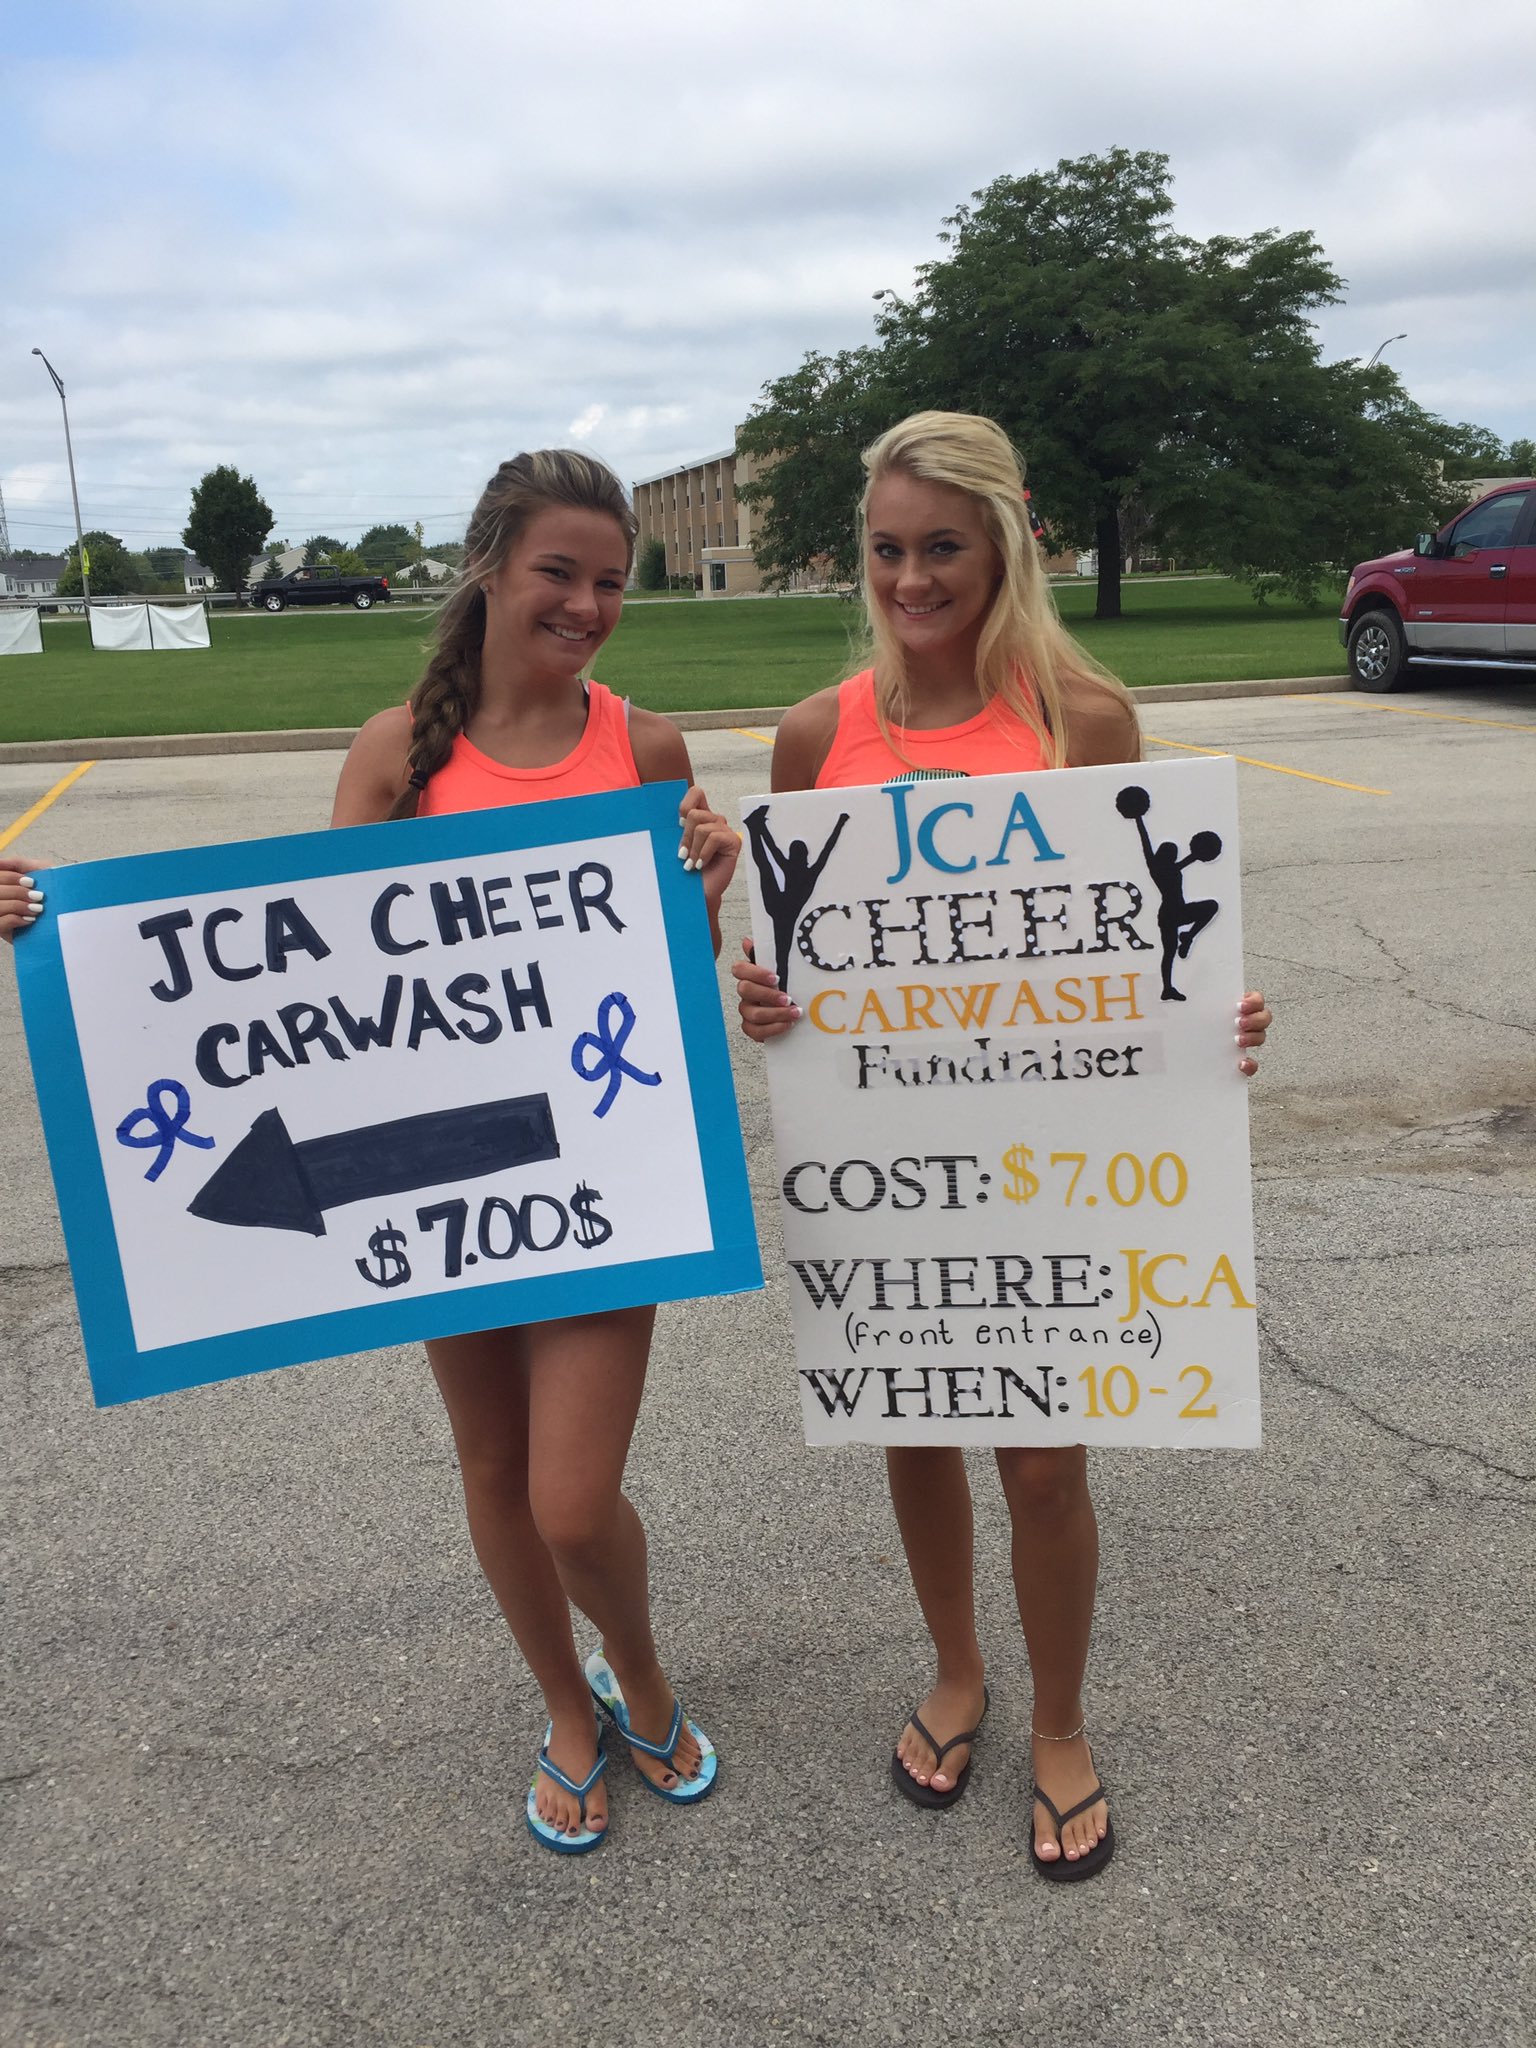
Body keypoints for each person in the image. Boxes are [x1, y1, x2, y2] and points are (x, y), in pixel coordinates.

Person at [732, 411, 1271, 1882]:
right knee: (911, 1427)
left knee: (1041, 1460)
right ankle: (957, 1668)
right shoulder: (813, 734)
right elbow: (799, 972)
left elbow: (1150, 946)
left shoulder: (1078, 719)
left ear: (1002, 546)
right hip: (885, 1164)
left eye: (942, 548)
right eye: (889, 550)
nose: (912, 578)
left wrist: (1213, 1015)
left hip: (1051, 1158)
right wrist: (764, 999)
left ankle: (1061, 1724)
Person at [329, 450, 739, 1854]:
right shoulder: (397, 754)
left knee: (571, 1495)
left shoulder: (645, 745)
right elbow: (308, 993)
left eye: (611, 581)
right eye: (559, 571)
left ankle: (642, 1666)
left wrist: (711, 894)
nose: (585, 603)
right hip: (439, 1170)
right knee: (495, 1476)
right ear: (493, 565)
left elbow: (677, 983)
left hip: (600, 1176)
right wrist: (50, 921)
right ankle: (568, 1706)